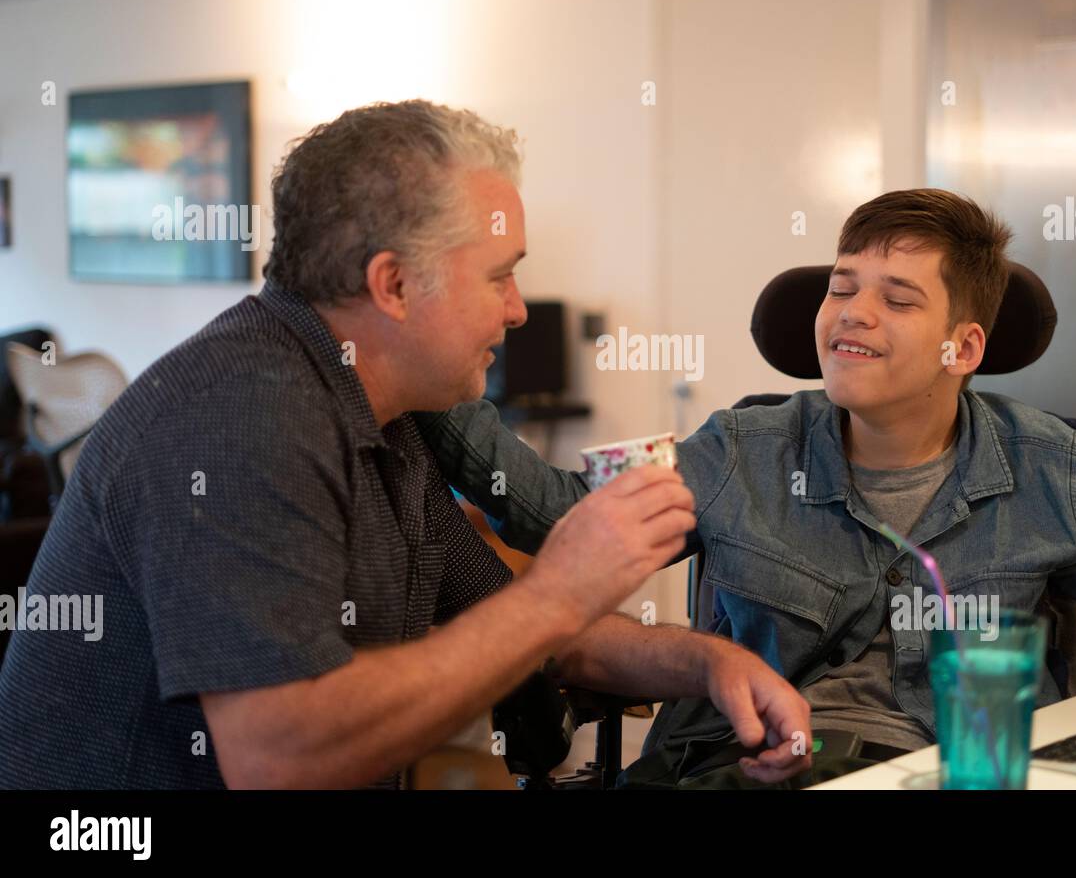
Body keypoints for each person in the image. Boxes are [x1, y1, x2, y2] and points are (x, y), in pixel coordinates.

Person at [0, 100, 811, 789]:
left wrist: (705, 663)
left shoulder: (384, 412)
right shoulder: (244, 417)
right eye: (499, 275)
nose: (520, 309)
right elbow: (277, 755)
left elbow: (518, 623)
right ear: (393, 285)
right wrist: (558, 589)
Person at [419, 188, 1076, 789]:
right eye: (842, 287)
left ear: (964, 348)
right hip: (735, 771)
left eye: (897, 299)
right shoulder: (740, 447)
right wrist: (433, 370)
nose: (851, 312)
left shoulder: (1055, 471)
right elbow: (558, 510)